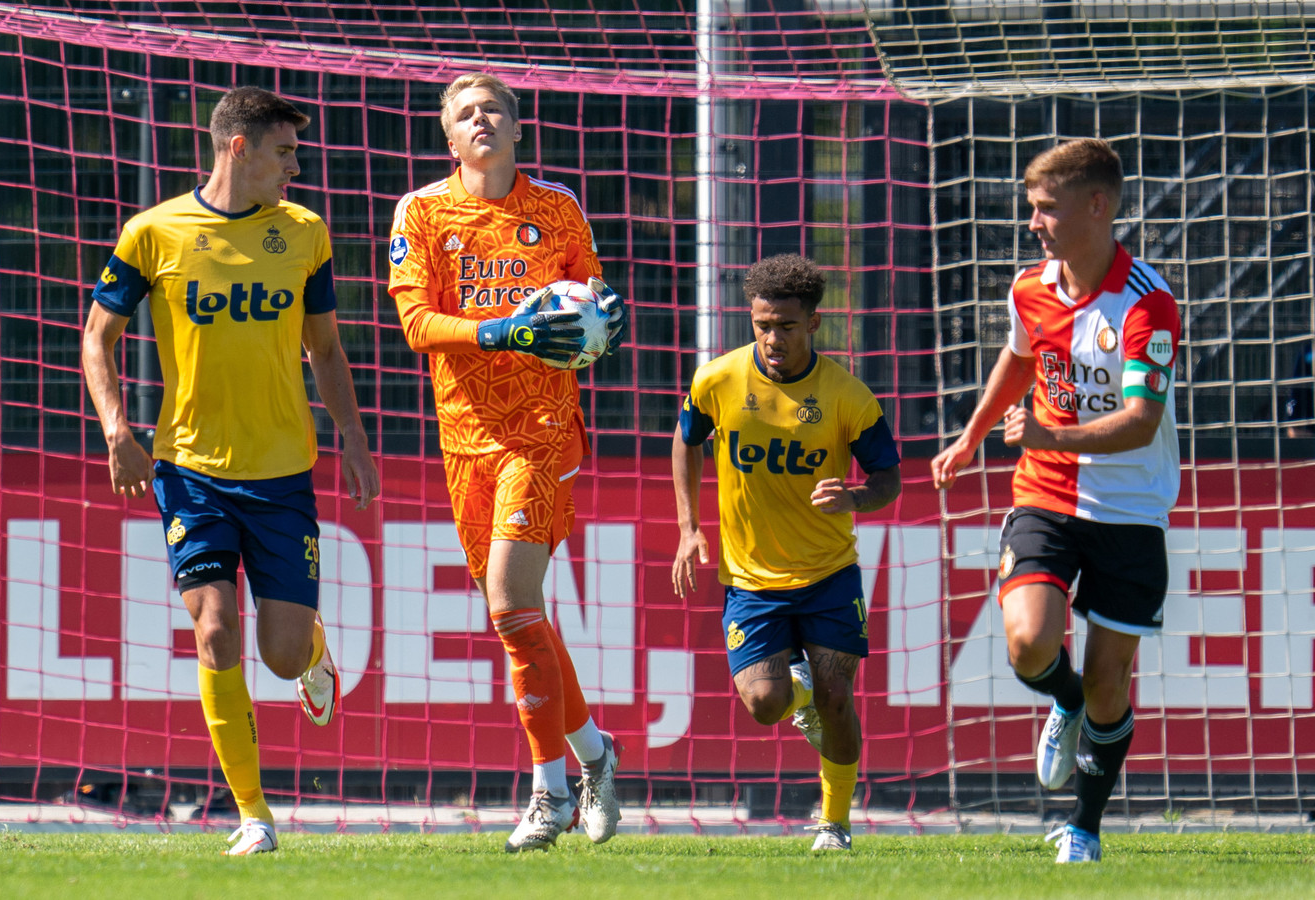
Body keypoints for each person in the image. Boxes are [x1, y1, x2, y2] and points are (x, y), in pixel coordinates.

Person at [81, 87, 381, 855]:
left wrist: (350, 433)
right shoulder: (153, 233)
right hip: (189, 470)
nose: (296, 166)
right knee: (214, 632)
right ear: (238, 147)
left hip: (282, 474)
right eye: (285, 151)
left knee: (279, 658)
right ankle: (254, 815)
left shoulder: (305, 232)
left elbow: (325, 348)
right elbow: (97, 339)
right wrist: (118, 431)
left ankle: (311, 649)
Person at [386, 73, 627, 853]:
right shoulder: (421, 212)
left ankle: (546, 794)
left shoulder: (556, 208)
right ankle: (596, 755)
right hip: (464, 438)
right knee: (518, 616)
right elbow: (417, 323)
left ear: (517, 128)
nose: (479, 119)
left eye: (492, 108)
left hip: (544, 430)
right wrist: (502, 332)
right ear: (448, 139)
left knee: (509, 599)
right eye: (464, 113)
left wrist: (601, 318)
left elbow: (592, 295)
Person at [930, 139, 1180, 864]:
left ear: (1096, 207)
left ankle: (1085, 826)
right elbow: (1019, 355)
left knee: (1111, 685)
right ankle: (1060, 699)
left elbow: (1141, 422)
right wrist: (974, 434)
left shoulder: (1148, 304)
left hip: (1130, 509)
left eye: (1046, 208)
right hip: (1044, 493)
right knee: (1029, 643)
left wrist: (1048, 430)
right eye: (1031, 209)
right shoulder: (1029, 288)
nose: (1034, 222)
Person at [671, 254, 902, 853]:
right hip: (750, 579)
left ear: (814, 324)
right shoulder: (717, 380)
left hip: (828, 575)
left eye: (787, 327)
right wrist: (688, 527)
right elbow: (686, 440)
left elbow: (889, 480)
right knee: (765, 703)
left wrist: (855, 495)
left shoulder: (848, 396)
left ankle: (835, 823)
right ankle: (795, 690)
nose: (773, 339)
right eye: (762, 325)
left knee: (837, 700)